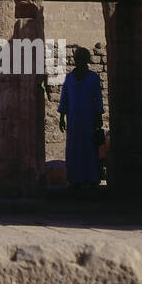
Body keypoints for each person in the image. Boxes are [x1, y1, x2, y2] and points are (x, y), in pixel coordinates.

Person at [58, 47, 103, 188]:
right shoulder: (69, 78)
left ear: (86, 60)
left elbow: (98, 99)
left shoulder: (93, 78)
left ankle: (90, 179)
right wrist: (61, 117)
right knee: (74, 149)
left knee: (89, 149)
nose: (78, 61)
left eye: (81, 58)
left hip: (89, 120)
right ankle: (75, 179)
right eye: (77, 58)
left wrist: (98, 117)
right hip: (73, 120)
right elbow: (64, 98)